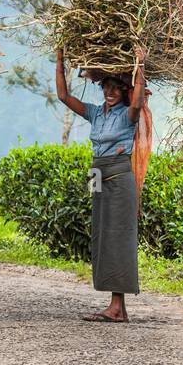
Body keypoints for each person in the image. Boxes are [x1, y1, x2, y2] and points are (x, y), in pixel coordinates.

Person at [54, 45, 148, 323]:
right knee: (101, 233)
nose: (109, 92)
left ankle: (117, 305)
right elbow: (63, 95)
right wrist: (59, 60)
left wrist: (140, 66)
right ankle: (115, 306)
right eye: (106, 87)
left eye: (115, 88)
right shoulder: (95, 113)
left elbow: (139, 99)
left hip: (119, 175)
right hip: (96, 175)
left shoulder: (128, 115)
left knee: (119, 235)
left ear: (123, 91)